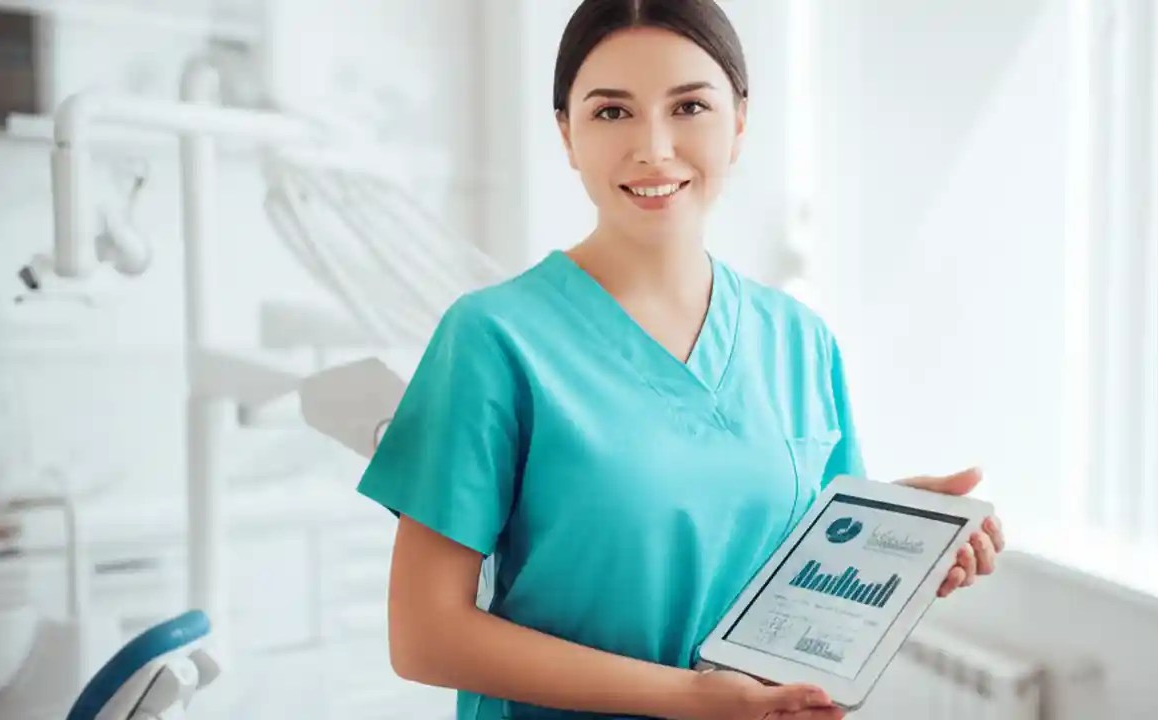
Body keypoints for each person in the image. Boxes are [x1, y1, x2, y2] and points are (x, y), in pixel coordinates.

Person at [356, 2, 1006, 719]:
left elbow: (804, 601)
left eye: (690, 106)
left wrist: (900, 542)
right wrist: (689, 699)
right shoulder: (492, 339)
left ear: (739, 124)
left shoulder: (800, 340)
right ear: (566, 133)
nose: (654, 148)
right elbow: (424, 636)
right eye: (611, 113)